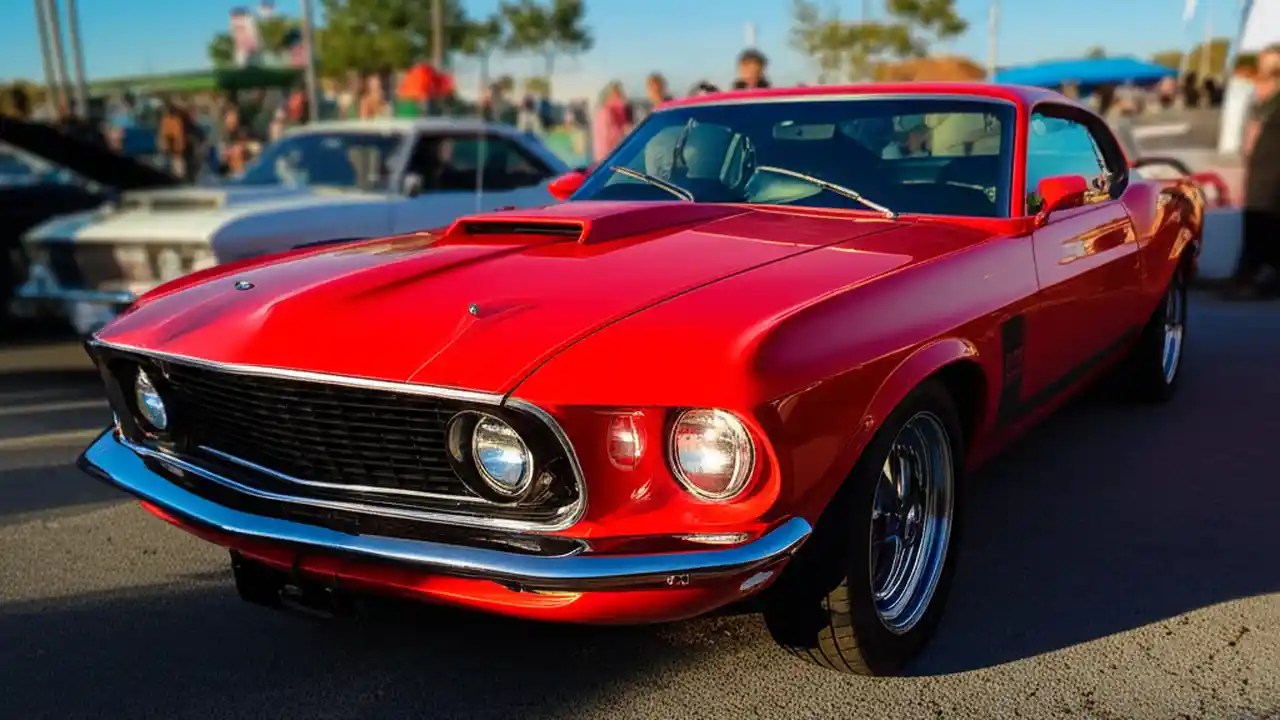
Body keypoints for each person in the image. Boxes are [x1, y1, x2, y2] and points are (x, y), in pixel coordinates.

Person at [1229, 47, 1280, 299]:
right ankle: (1250, 275)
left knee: (1264, 222)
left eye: (1271, 71)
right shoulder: (1262, 102)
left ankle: (1251, 278)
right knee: (1258, 223)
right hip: (1261, 171)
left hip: (1272, 175)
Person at [592, 81, 631, 162]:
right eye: (618, 93)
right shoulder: (606, 112)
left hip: (613, 159)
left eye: (621, 92)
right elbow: (612, 138)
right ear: (610, 95)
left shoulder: (620, 111)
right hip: (610, 160)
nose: (621, 95)